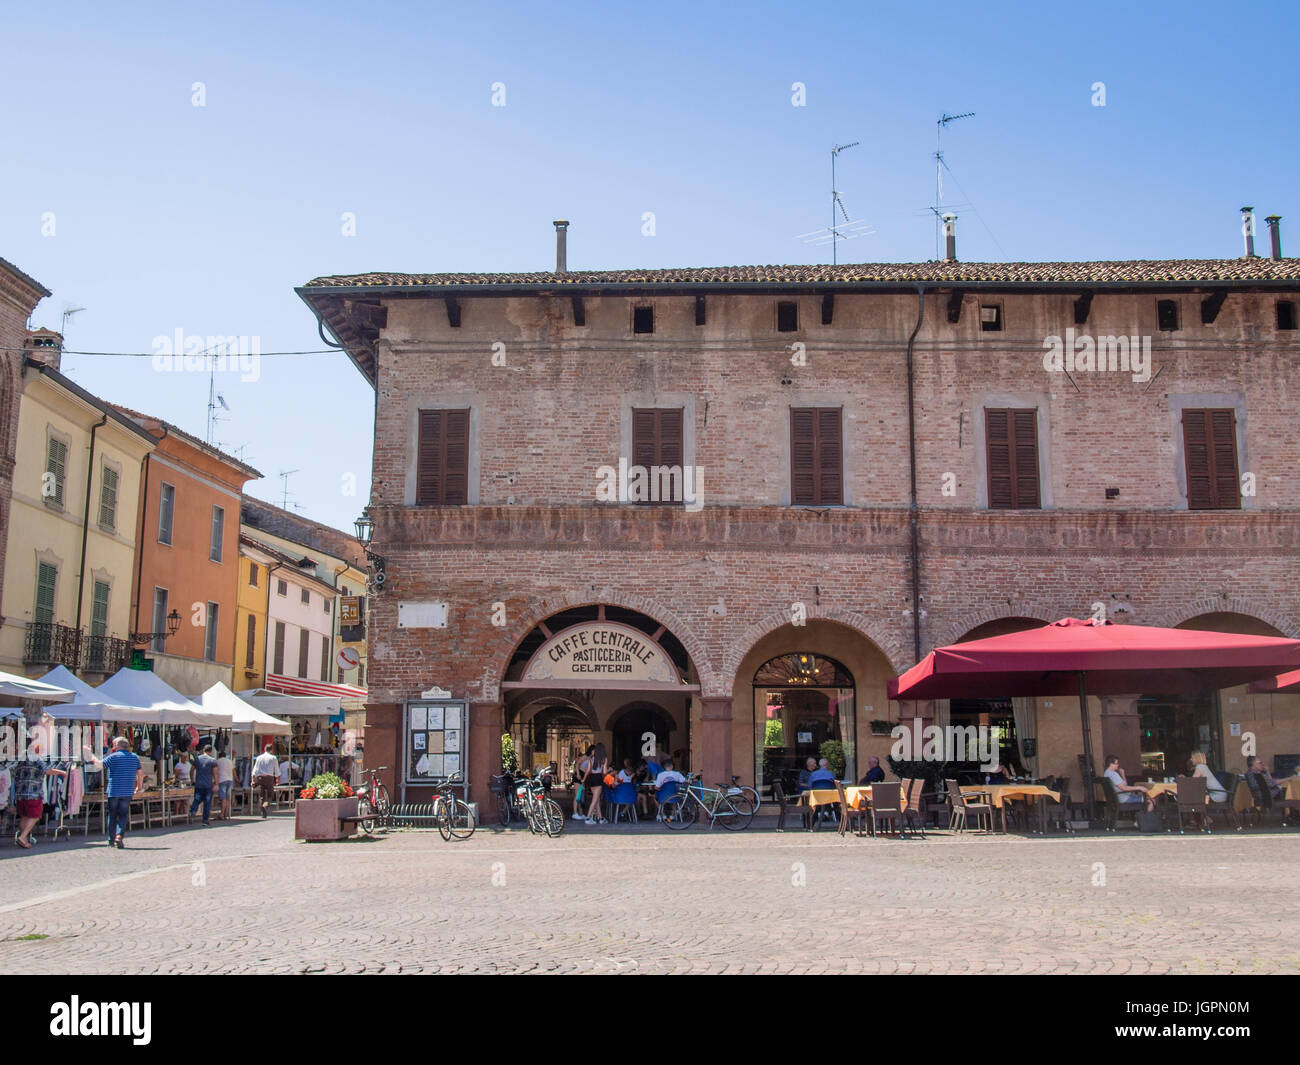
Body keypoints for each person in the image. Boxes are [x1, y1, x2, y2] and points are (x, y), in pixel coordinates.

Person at [88, 737, 142, 849]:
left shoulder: (113, 757)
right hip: (127, 790)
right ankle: (119, 836)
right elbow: (140, 774)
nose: (112, 747)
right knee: (123, 815)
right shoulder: (134, 757)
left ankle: (111, 840)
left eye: (113, 745)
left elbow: (99, 765)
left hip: (114, 790)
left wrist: (90, 754)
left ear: (118, 746)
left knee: (112, 815)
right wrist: (138, 787)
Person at [12, 755, 68, 850]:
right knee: (35, 816)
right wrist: (61, 772)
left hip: (21, 793)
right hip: (33, 792)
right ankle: (22, 837)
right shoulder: (37, 759)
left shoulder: (20, 758)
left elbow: (14, 772)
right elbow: (46, 771)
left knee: (24, 816)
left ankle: (24, 838)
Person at [190, 744, 218, 826]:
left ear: (203, 750)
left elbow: (191, 770)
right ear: (211, 751)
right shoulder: (212, 760)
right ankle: (205, 820)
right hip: (208, 785)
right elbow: (215, 773)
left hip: (198, 784)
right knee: (207, 802)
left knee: (197, 799)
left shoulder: (197, 759)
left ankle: (193, 811)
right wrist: (216, 783)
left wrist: (192, 780)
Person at [584, 742, 608, 824]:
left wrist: (584, 779)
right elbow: (604, 772)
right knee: (594, 800)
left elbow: (588, 770)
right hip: (598, 778)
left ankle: (600, 818)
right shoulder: (604, 759)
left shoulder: (591, 758)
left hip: (591, 778)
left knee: (597, 800)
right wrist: (610, 770)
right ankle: (588, 818)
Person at [252, 744, 279, 818]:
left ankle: (262, 810)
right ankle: (265, 805)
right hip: (269, 777)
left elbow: (255, 770)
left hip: (260, 777)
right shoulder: (273, 758)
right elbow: (276, 770)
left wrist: (253, 780)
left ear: (264, 749)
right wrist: (277, 779)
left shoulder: (259, 757)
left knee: (262, 795)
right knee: (270, 795)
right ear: (271, 750)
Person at [215, 748, 235, 820]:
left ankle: (222, 814)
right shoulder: (230, 761)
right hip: (230, 780)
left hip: (222, 780)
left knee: (223, 798)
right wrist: (236, 779)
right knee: (227, 798)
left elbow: (215, 771)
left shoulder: (218, 761)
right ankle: (225, 814)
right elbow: (233, 771)